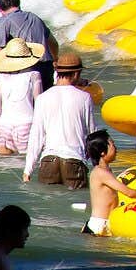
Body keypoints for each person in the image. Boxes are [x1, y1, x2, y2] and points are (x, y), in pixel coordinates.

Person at [23, 52, 95, 187]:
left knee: (48, 205)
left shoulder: (42, 98)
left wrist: (28, 170)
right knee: (76, 204)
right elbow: (92, 134)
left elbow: (36, 135)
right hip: (74, 160)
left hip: (48, 161)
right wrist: (98, 165)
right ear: (75, 74)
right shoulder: (85, 97)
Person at [0, 0, 58, 89]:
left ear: (0, 9)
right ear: (18, 3)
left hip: (27, 69)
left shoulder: (4, 20)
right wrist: (55, 60)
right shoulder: (35, 17)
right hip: (47, 67)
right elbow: (53, 43)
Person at [0, 38, 43, 155]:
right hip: (26, 124)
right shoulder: (34, 75)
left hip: (4, 126)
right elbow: (40, 104)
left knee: (6, 167)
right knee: (25, 165)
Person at [83, 129, 136, 235]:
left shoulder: (106, 170)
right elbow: (129, 193)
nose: (116, 148)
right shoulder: (100, 172)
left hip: (104, 225)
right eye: (112, 144)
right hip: (98, 227)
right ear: (102, 152)